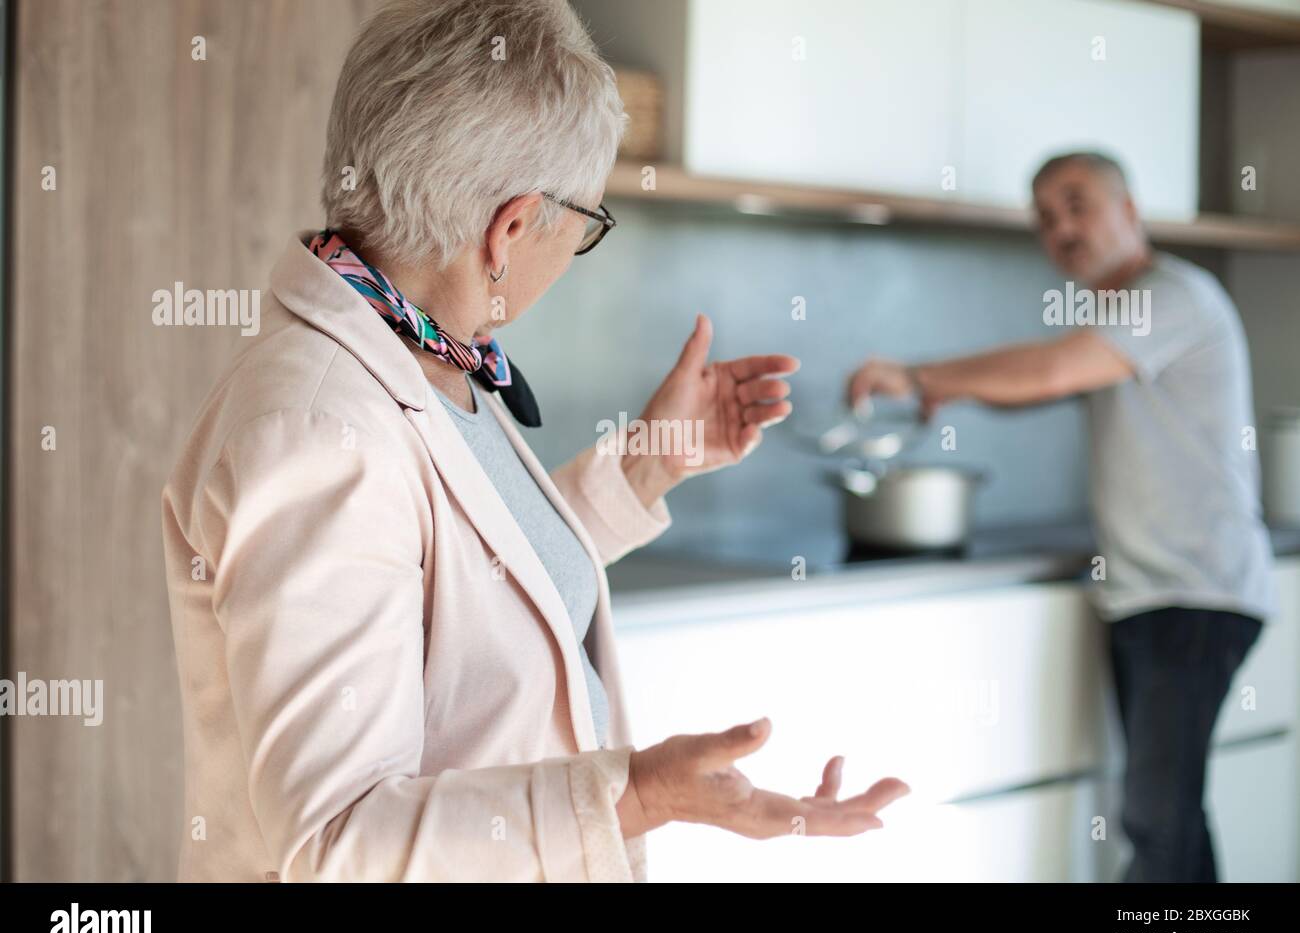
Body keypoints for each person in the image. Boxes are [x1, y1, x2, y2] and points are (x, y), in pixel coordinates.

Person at [162, 0, 907, 883]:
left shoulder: (427, 358)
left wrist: (650, 461)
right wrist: (637, 795)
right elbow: (340, 841)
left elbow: (465, 594)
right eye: (586, 223)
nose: (576, 244)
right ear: (510, 229)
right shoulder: (321, 430)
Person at [846, 151, 1274, 883]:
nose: (1061, 226)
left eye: (1077, 203)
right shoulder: (1115, 317)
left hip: (1195, 593)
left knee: (1155, 818)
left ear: (1130, 209)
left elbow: (1050, 369)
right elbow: (1041, 387)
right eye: (1045, 216)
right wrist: (954, 392)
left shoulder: (1172, 296)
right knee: (1168, 818)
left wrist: (921, 375)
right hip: (1151, 593)